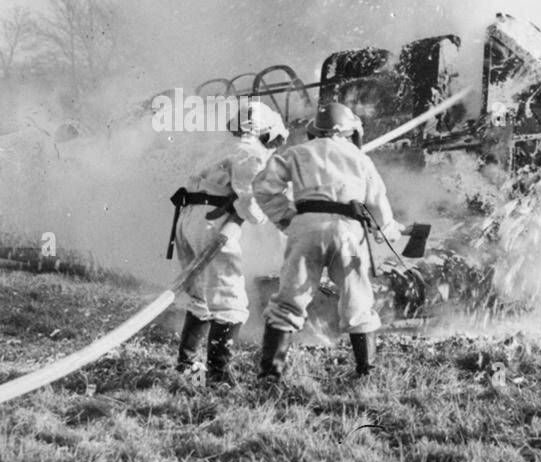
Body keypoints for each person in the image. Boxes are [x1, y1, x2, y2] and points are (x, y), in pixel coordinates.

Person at [252, 102, 403, 380]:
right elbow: (378, 204)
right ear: (349, 130)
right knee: (357, 300)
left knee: (289, 300)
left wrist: (286, 218)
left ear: (313, 131)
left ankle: (271, 376)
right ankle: (365, 373)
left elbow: (263, 187)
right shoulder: (360, 158)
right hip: (348, 230)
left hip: (306, 227)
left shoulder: (296, 153)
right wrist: (389, 230)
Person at [168, 100, 288, 384]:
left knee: (201, 297)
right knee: (230, 297)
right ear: (268, 133)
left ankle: (186, 367)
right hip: (214, 225)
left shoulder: (222, 147)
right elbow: (252, 205)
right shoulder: (251, 154)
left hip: (189, 222)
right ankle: (218, 377)